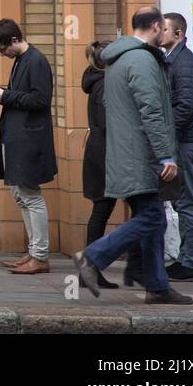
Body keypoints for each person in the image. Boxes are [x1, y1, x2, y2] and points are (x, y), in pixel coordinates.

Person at [74, 7, 192, 304]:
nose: (164, 33)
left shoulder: (118, 59)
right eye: (163, 28)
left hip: (126, 152)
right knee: (152, 217)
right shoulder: (141, 59)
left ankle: (156, 286)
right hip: (140, 154)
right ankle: (93, 257)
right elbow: (151, 110)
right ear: (154, 25)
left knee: (153, 217)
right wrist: (166, 155)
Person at [0, 18, 56, 276]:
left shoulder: (36, 61)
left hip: (29, 138)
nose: (2, 54)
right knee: (21, 194)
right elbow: (24, 95)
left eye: (4, 48)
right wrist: (5, 93)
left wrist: (6, 96)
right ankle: (33, 251)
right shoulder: (22, 60)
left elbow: (40, 99)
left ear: (15, 40)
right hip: (18, 137)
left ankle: (39, 255)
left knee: (31, 196)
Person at [161, 12, 193, 281]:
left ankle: (191, 262)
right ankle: (186, 259)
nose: (160, 33)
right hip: (177, 139)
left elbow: (186, 108)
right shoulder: (171, 60)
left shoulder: (185, 63)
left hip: (183, 141)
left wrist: (163, 134)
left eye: (164, 29)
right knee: (179, 201)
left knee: (187, 201)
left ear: (178, 33)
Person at [80, 41, 118, 289]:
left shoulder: (96, 81)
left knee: (101, 208)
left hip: (97, 150)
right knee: (103, 208)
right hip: (106, 153)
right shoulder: (105, 85)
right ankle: (91, 267)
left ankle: (91, 268)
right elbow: (108, 124)